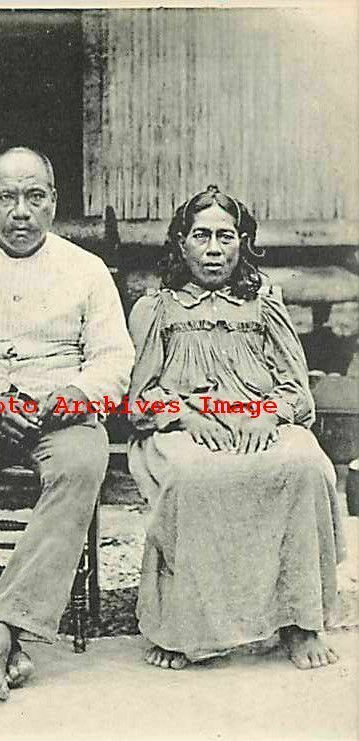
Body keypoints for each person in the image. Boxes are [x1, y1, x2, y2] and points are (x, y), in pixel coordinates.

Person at [0, 146, 134, 700]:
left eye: (35, 197)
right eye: (7, 197)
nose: (21, 211)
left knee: (83, 464)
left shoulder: (85, 271)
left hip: (60, 410)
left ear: (54, 204)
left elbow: (114, 356)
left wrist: (79, 392)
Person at [127, 185, 345, 671]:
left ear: (243, 242)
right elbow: (139, 400)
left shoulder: (265, 305)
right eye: (200, 235)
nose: (213, 248)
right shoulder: (158, 309)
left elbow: (297, 393)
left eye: (226, 236)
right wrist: (185, 415)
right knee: (194, 476)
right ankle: (182, 628)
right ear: (181, 243)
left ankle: (299, 620)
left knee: (304, 463)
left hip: (260, 420)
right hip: (183, 428)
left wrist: (265, 413)